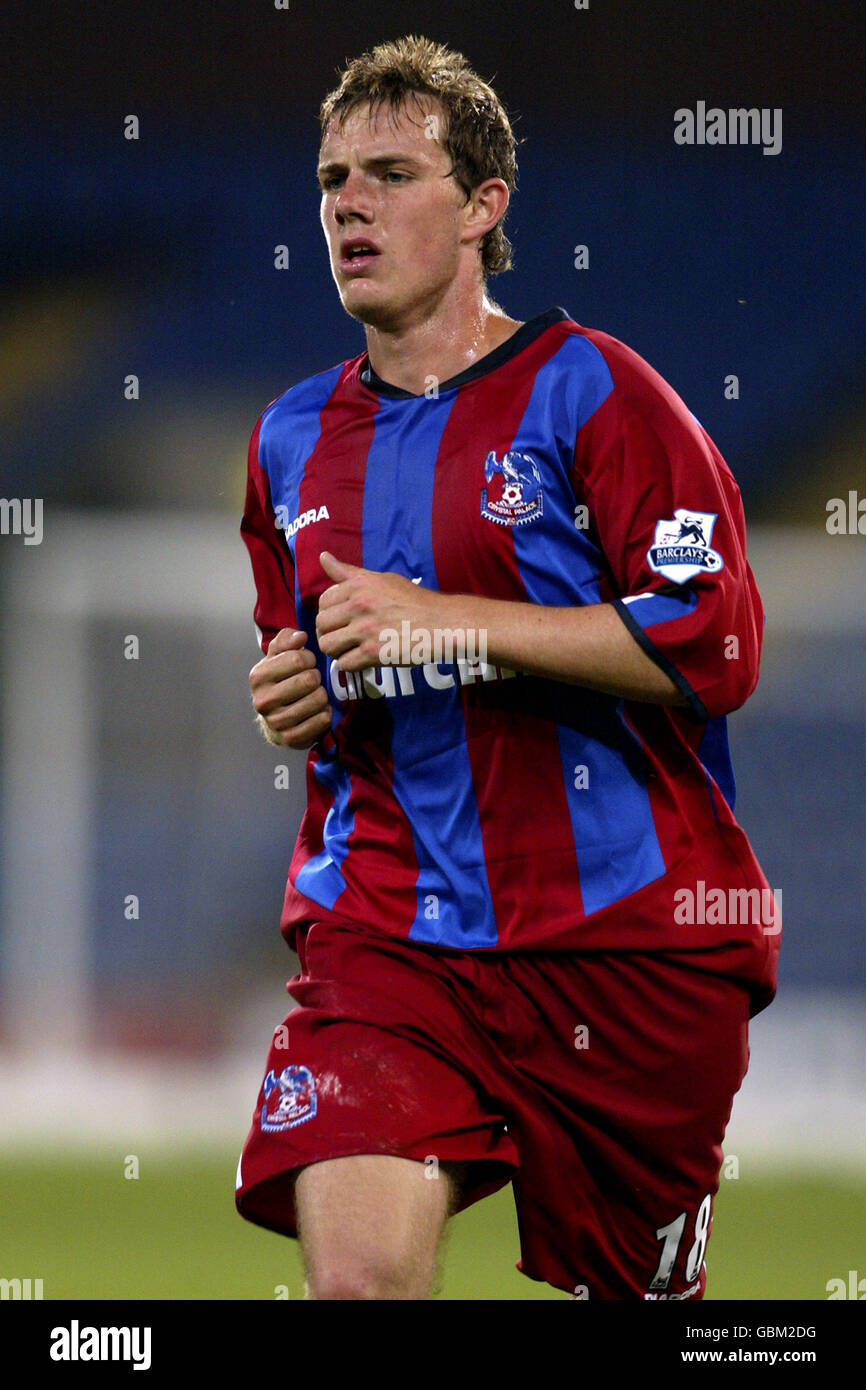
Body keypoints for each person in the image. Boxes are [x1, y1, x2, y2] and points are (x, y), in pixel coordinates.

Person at [234, 33, 780, 1301]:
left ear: (484, 205)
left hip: (628, 947)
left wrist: (449, 620)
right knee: (357, 1286)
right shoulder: (289, 438)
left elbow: (718, 638)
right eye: (330, 180)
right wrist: (295, 687)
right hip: (390, 934)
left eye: (387, 172)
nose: (347, 204)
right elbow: (302, 648)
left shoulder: (594, 391)